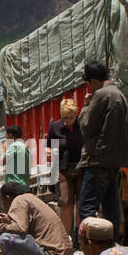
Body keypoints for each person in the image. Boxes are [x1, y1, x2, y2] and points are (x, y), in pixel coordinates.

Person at [77, 62, 128, 238]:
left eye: (88, 83)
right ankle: (112, 243)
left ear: (93, 81)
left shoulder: (100, 95)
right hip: (115, 160)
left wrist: (85, 107)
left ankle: (91, 243)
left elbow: (86, 126)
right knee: (110, 206)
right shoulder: (120, 94)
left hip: (98, 159)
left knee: (87, 207)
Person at [46, 98, 83, 242]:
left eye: (71, 117)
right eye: (65, 118)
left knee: (81, 203)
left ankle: (80, 237)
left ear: (76, 115)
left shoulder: (82, 125)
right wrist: (49, 152)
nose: (68, 121)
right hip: (63, 168)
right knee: (66, 203)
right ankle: (66, 238)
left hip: (81, 167)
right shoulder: (55, 127)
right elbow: (48, 145)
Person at [4, 125, 31, 190]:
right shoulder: (24, 147)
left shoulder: (13, 146)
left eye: (6, 135)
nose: (5, 137)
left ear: (10, 135)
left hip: (14, 185)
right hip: (25, 185)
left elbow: (2, 162)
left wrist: (4, 149)